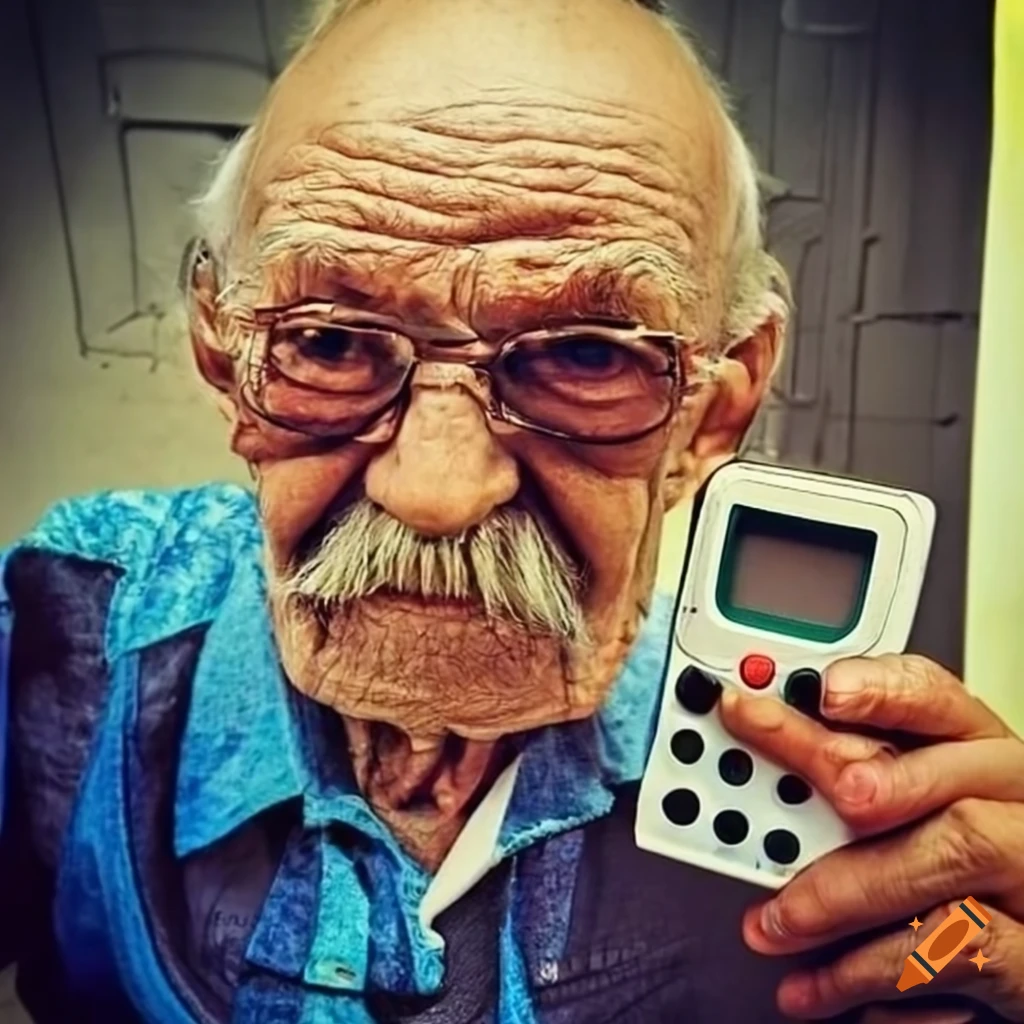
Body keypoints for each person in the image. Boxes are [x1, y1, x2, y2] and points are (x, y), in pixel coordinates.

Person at [2, 0, 1023, 1021]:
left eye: (587, 356)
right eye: (329, 341)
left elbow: (947, 963)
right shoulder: (72, 638)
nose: (436, 492)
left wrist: (977, 973)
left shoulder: (815, 789)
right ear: (226, 358)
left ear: (714, 411)